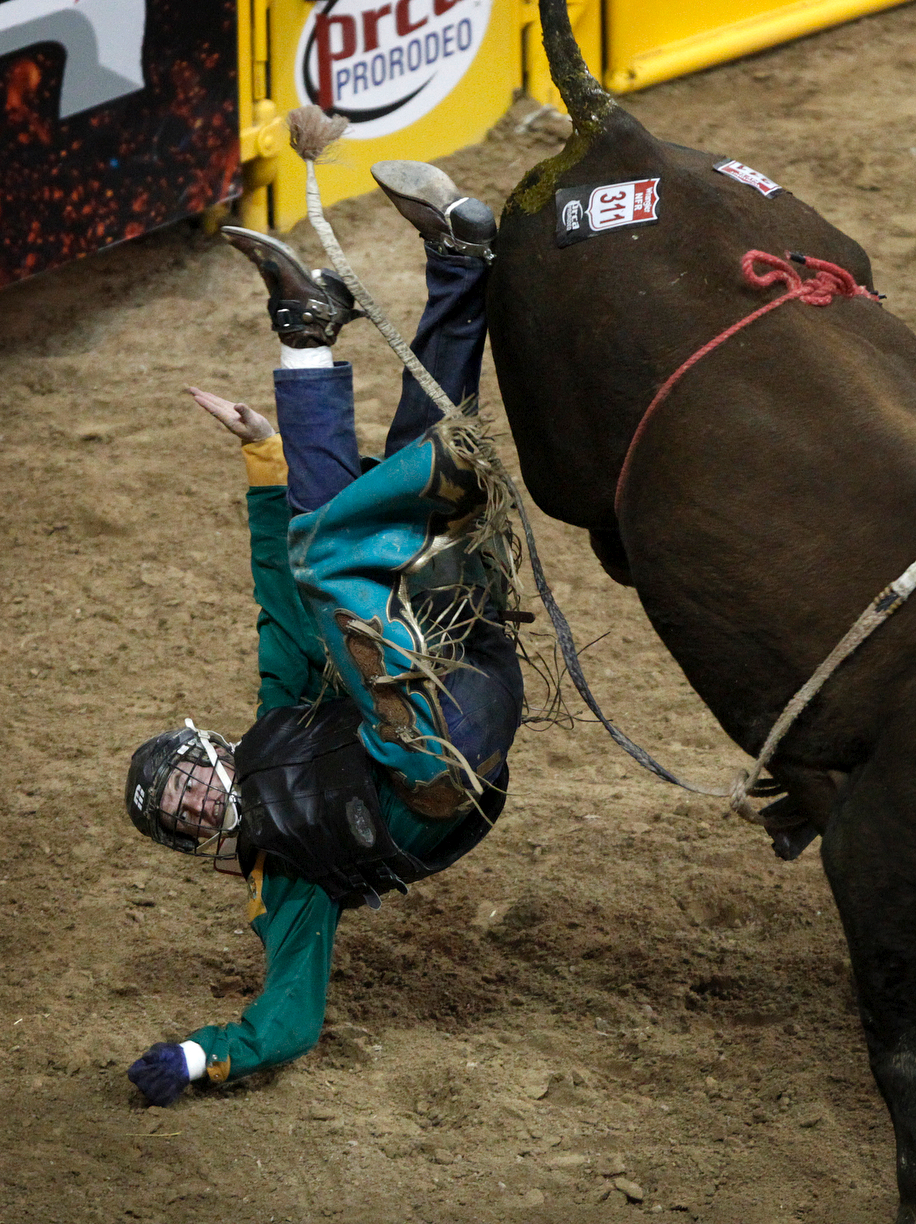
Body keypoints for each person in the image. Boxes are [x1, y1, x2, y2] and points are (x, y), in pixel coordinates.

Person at [124, 160, 524, 1106]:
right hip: (451, 767)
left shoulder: (278, 715)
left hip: (450, 644)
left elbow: (275, 599)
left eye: (178, 780)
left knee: (348, 527)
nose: (188, 802)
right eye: (175, 812)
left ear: (207, 749)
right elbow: (290, 1018)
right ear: (192, 844)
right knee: (331, 558)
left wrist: (266, 461)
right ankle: (317, 356)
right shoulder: (285, 889)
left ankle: (452, 261)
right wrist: (200, 1054)